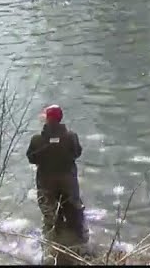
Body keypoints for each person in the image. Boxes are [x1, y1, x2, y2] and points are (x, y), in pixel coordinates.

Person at [26, 105, 87, 245]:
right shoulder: (71, 136)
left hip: (46, 181)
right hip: (68, 180)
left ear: (47, 119)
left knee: (50, 214)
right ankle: (78, 243)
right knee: (74, 211)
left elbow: (31, 158)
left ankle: (52, 244)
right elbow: (77, 153)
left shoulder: (36, 139)